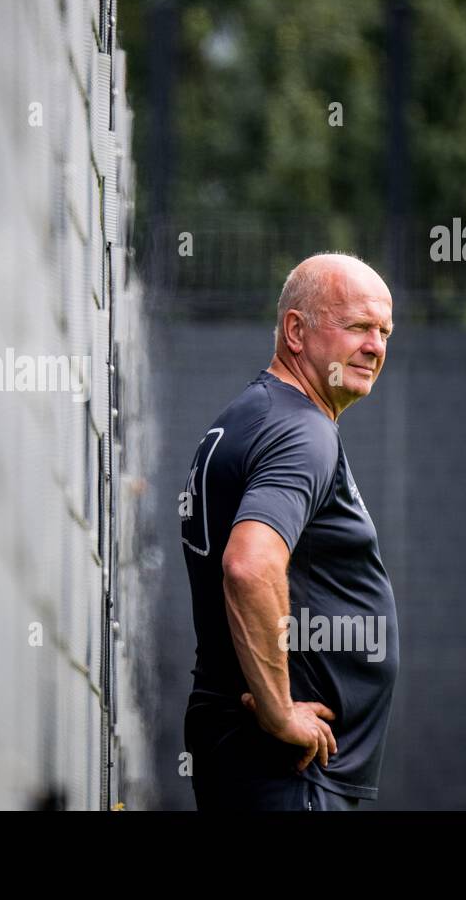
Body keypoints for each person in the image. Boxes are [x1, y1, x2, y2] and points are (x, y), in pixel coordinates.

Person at [180, 253, 399, 811]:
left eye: (384, 331)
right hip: (286, 769)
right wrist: (279, 711)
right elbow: (249, 565)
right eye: (356, 327)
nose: (375, 346)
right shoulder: (303, 432)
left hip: (252, 760)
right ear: (296, 331)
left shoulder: (254, 414)